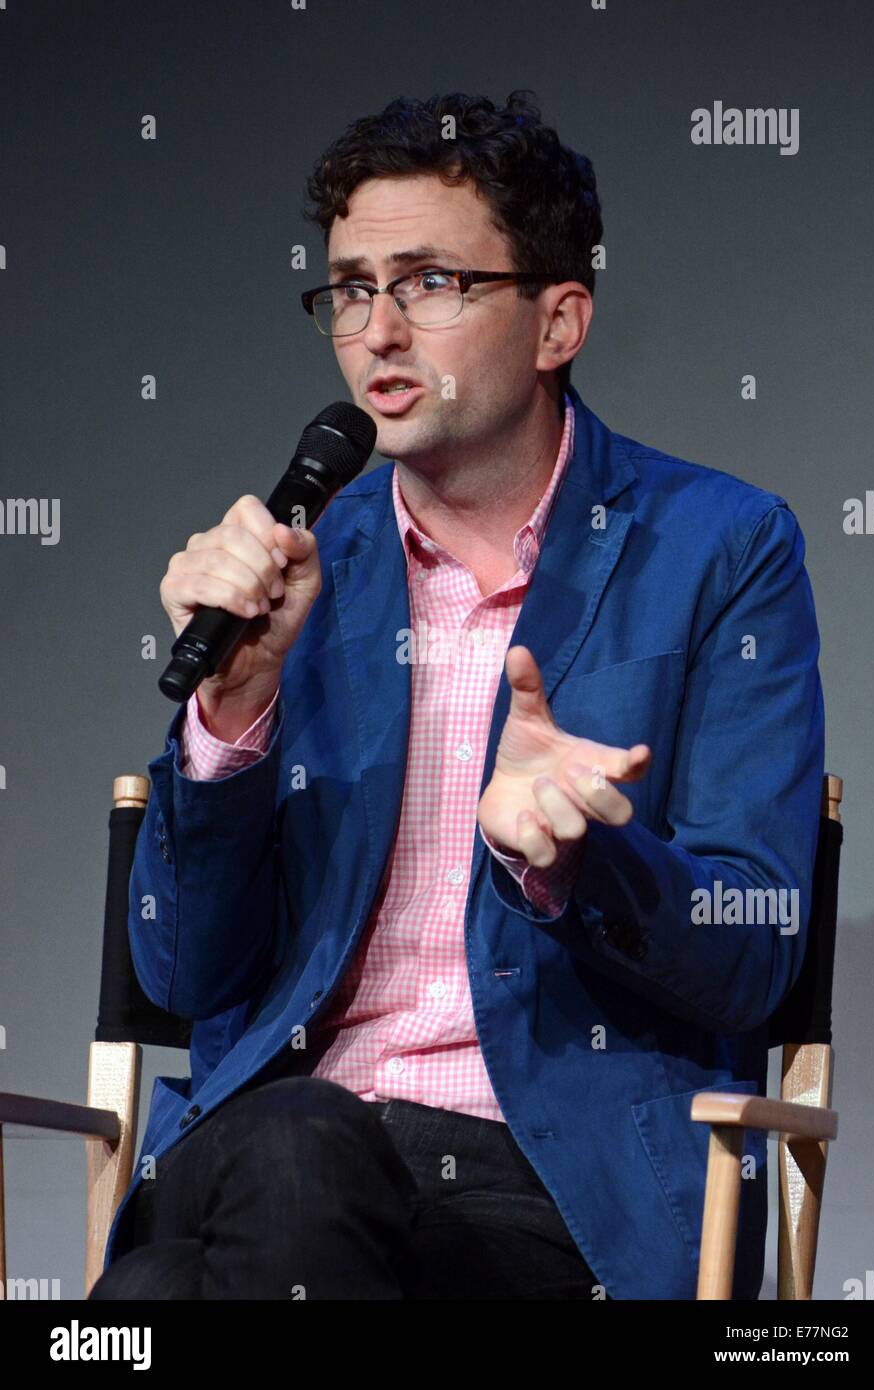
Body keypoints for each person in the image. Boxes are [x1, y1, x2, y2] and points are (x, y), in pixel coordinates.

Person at [89, 90, 824, 1300]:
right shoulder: (297, 571)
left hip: (545, 1196)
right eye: (350, 287)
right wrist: (230, 719)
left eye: (429, 283)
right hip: (277, 1153)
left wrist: (579, 858)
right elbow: (182, 979)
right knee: (295, 1142)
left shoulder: (717, 547)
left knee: (136, 1312)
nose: (376, 330)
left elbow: (750, 949)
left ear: (556, 321)